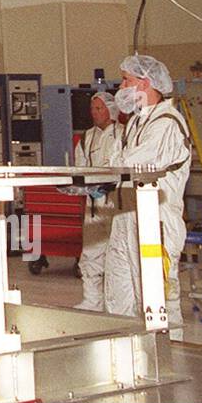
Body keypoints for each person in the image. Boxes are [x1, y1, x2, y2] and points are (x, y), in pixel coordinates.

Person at [105, 54, 192, 339]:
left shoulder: (167, 123)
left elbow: (131, 164)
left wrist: (96, 175)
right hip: (126, 219)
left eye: (126, 80)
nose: (121, 87)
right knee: (120, 297)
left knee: (156, 299)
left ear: (145, 83)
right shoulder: (135, 123)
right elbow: (113, 161)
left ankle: (170, 358)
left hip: (155, 224)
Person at [71, 91, 123, 311]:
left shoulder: (124, 134)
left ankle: (118, 302)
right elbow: (79, 169)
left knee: (118, 255)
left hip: (118, 204)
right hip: (94, 205)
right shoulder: (86, 137)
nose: (95, 113)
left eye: (99, 108)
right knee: (91, 253)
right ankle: (92, 299)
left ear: (111, 110)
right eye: (93, 109)